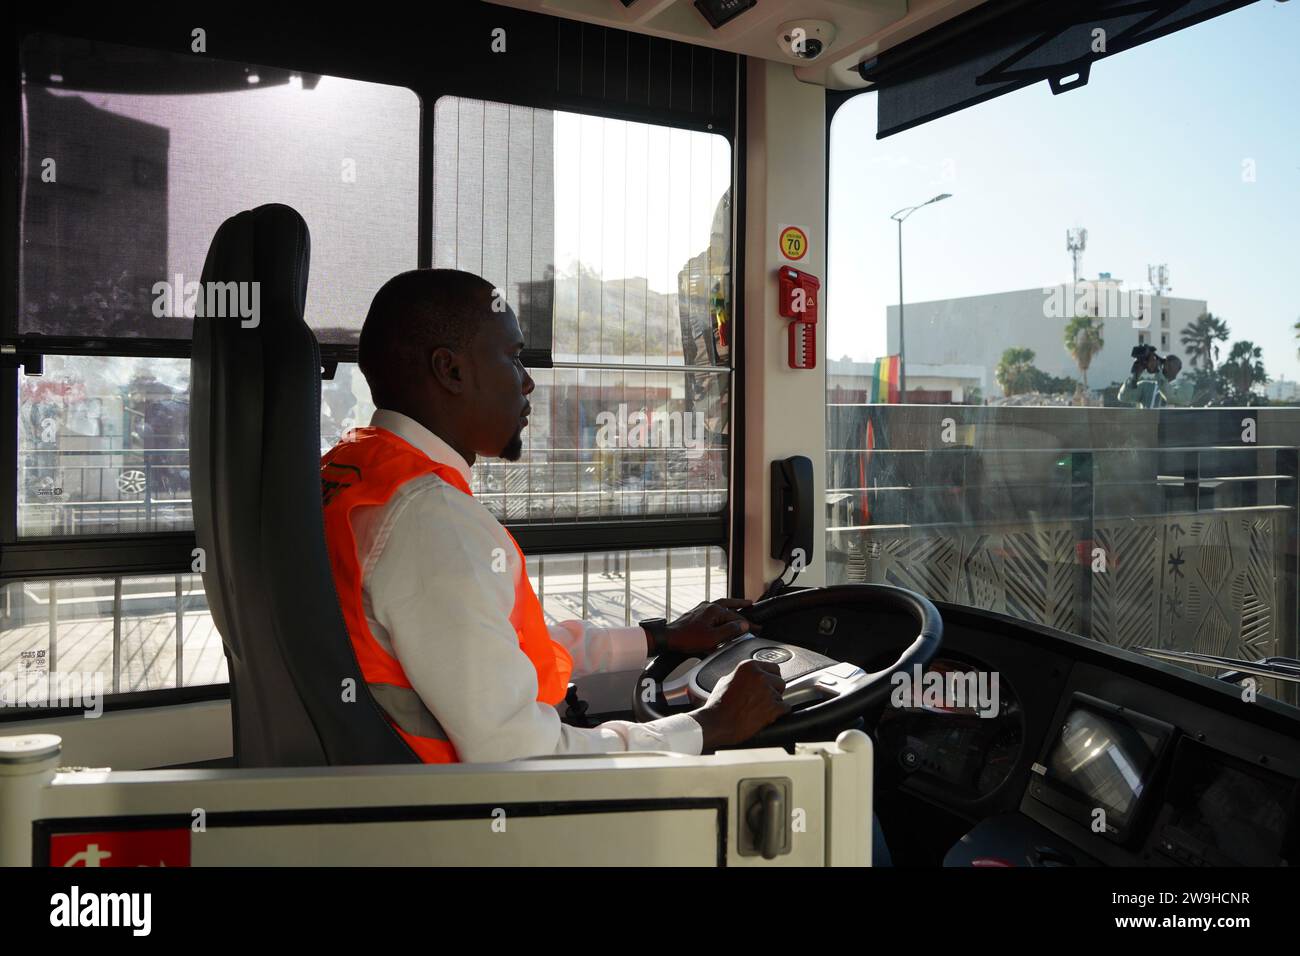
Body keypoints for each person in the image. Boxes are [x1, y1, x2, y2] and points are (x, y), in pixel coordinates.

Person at [320, 269, 790, 764]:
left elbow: (508, 649)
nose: (527, 382)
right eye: (514, 356)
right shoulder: (431, 523)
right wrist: (707, 726)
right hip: (473, 822)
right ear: (451, 371)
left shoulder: (351, 473)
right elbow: (520, 754)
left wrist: (658, 636)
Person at [1117, 347, 1189, 408]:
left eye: (1170, 363)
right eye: (1163, 362)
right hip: (1148, 424)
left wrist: (1157, 371)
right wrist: (1135, 375)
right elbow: (1123, 397)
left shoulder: (1183, 387)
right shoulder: (1146, 386)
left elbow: (1169, 397)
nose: (1165, 365)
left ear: (1178, 369)